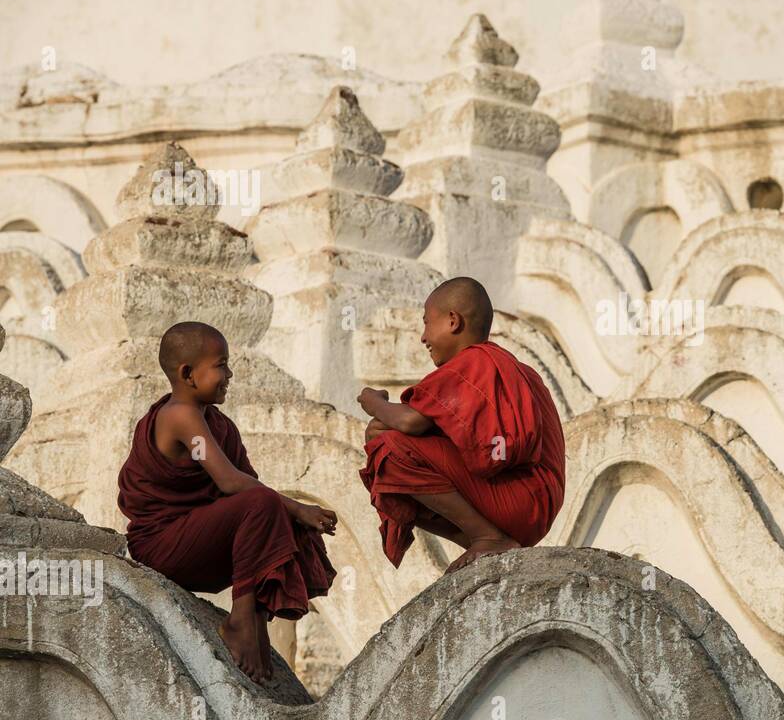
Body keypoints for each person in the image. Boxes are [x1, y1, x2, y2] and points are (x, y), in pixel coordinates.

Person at [118, 322, 337, 683]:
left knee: (281, 517)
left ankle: (258, 620)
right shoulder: (179, 416)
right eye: (221, 365)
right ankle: (240, 620)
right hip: (164, 545)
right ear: (187, 374)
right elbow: (230, 481)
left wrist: (296, 515)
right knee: (271, 506)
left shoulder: (219, 426)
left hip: (204, 543)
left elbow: (249, 487)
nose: (230, 374)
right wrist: (300, 508)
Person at [357, 277, 566, 573]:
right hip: (536, 507)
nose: (423, 337)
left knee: (389, 449)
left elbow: (410, 421)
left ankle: (488, 536)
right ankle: (485, 539)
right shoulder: (517, 369)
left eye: (427, 323)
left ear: (453, 321)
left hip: (520, 498)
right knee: (384, 445)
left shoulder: (474, 361)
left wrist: (372, 400)